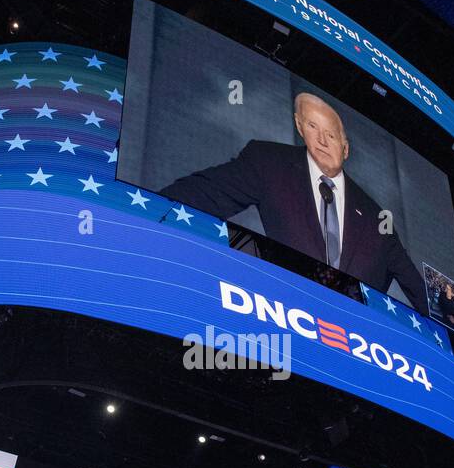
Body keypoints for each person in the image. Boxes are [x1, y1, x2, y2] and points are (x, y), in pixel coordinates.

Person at [161, 92, 427, 311]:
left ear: (346, 148)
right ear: (299, 127)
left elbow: (420, 294)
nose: (322, 141)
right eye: (313, 126)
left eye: (331, 135)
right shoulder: (269, 162)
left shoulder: (375, 216)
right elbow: (200, 194)